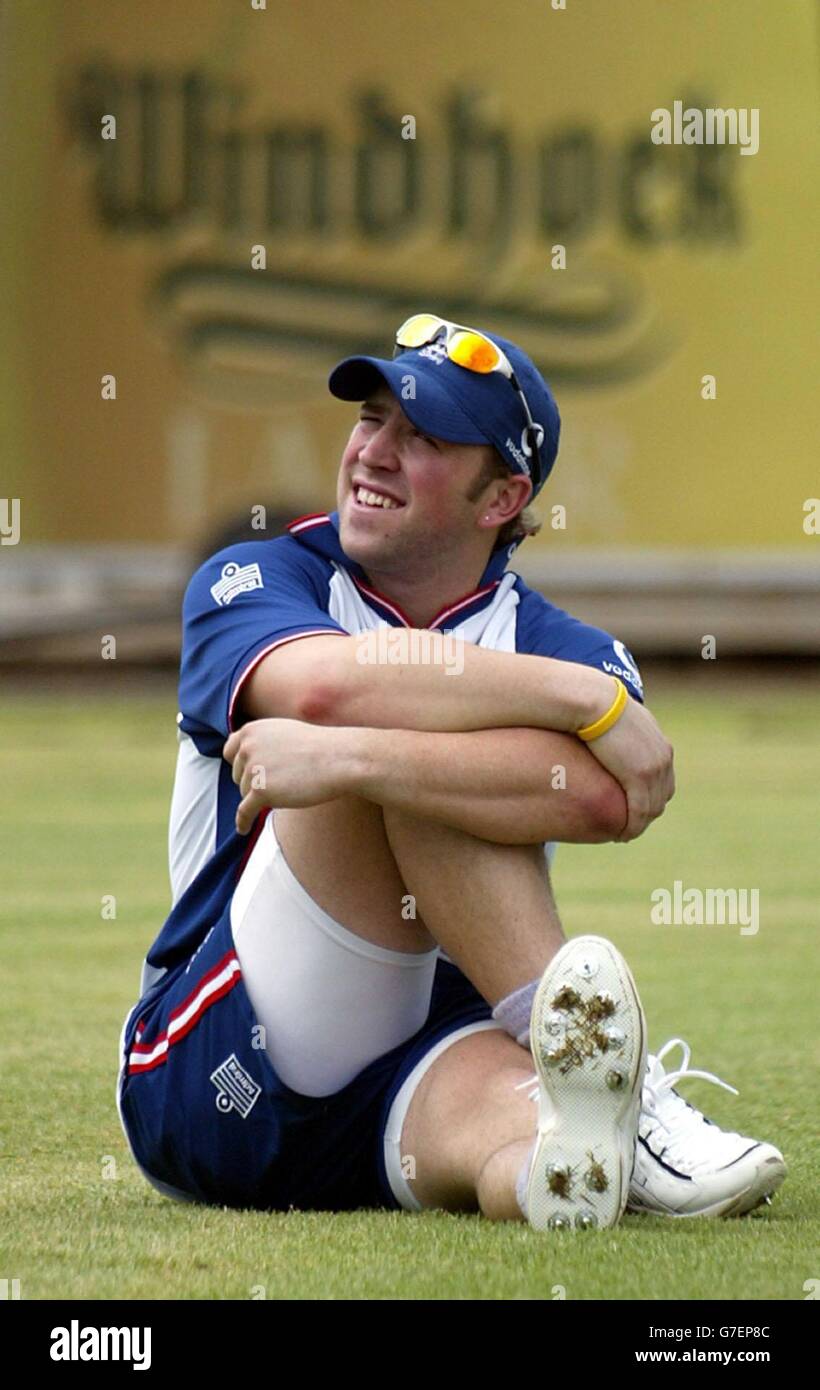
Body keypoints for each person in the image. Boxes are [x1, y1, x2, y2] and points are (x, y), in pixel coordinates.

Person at [117, 314, 785, 1230]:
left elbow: (603, 796)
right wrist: (579, 702)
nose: (373, 453)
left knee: (543, 1136)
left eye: (423, 437)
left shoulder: (562, 637)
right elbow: (317, 692)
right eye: (371, 419)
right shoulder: (258, 575)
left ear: (502, 498)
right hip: (218, 1058)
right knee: (412, 748)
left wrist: (354, 757)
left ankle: (598, 1148)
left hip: (427, 1062)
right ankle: (633, 1114)